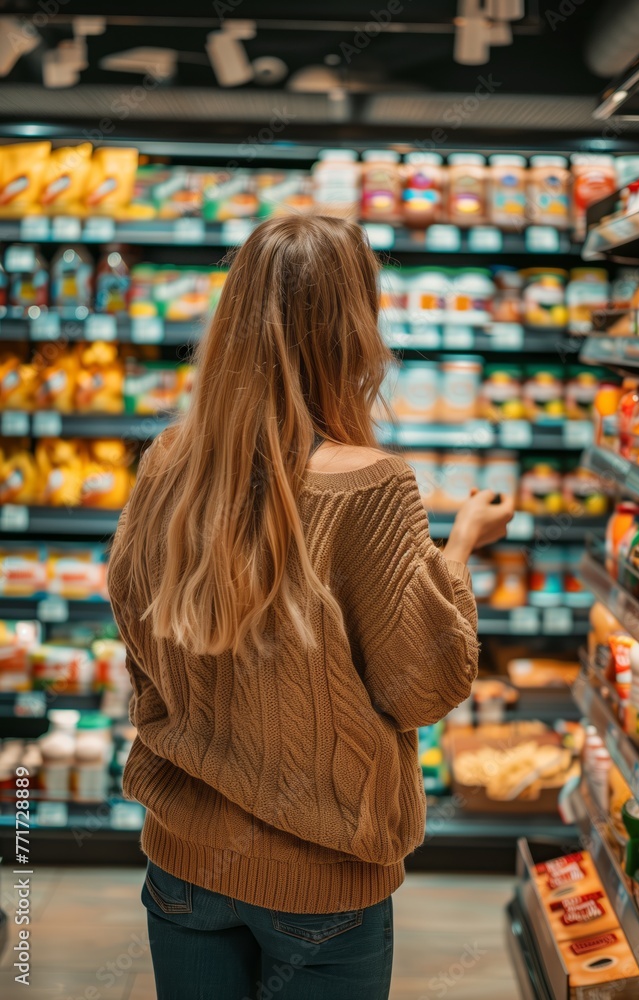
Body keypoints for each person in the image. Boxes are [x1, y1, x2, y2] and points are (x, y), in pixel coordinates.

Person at [107, 214, 513, 1000]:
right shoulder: (373, 483)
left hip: (183, 858)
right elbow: (423, 687)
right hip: (322, 882)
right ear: (355, 330)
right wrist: (456, 552)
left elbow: (133, 621)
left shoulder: (167, 463)